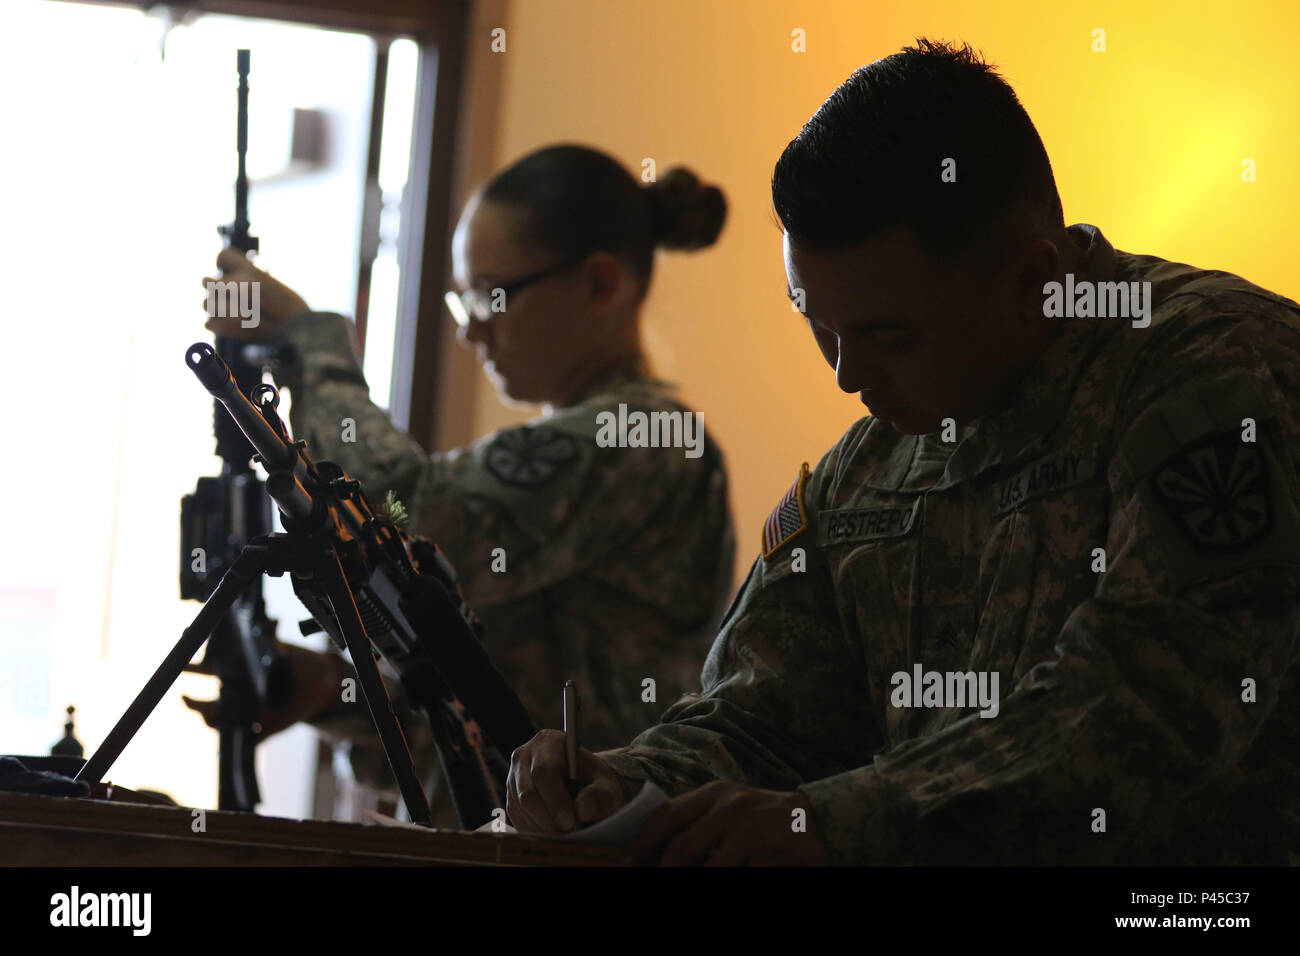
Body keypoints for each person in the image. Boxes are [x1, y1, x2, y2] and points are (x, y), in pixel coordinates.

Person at [504, 39, 1300, 865]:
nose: (848, 375)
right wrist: (626, 784)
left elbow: (1147, 707)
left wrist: (838, 826)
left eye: (889, 335)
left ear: (1033, 280)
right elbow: (765, 719)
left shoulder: (1213, 378)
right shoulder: (873, 466)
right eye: (818, 326)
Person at [187, 144, 736, 823]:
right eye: (463, 297)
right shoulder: (586, 447)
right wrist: (333, 691)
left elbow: (400, 515)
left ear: (601, 285)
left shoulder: (643, 440)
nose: (470, 327)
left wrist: (312, 341)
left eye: (491, 293)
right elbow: (482, 740)